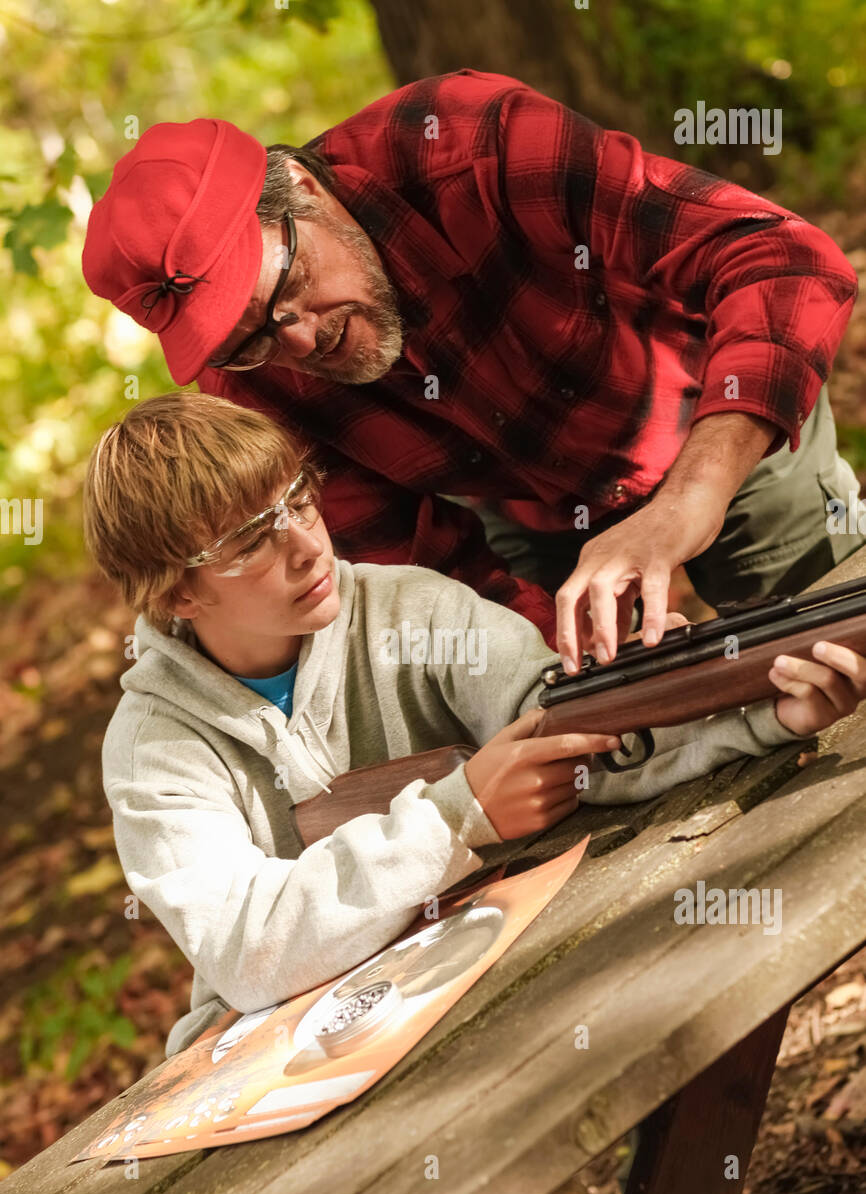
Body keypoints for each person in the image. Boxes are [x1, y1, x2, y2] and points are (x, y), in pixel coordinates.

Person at [83, 393, 866, 1058]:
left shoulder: (411, 609)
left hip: (468, 982)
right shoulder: (154, 750)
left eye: (298, 498)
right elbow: (247, 951)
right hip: (278, 1057)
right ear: (177, 596)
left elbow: (583, 734)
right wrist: (460, 815)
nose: (303, 544)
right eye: (252, 540)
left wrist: (766, 713)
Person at [81, 70, 864, 675]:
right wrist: (579, 668)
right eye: (250, 337)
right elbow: (415, 565)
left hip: (721, 424)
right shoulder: (249, 381)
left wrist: (691, 499)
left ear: (306, 191)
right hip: (537, 515)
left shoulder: (472, 141)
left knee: (833, 650)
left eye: (284, 291)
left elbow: (784, 259)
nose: (299, 342)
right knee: (600, 715)